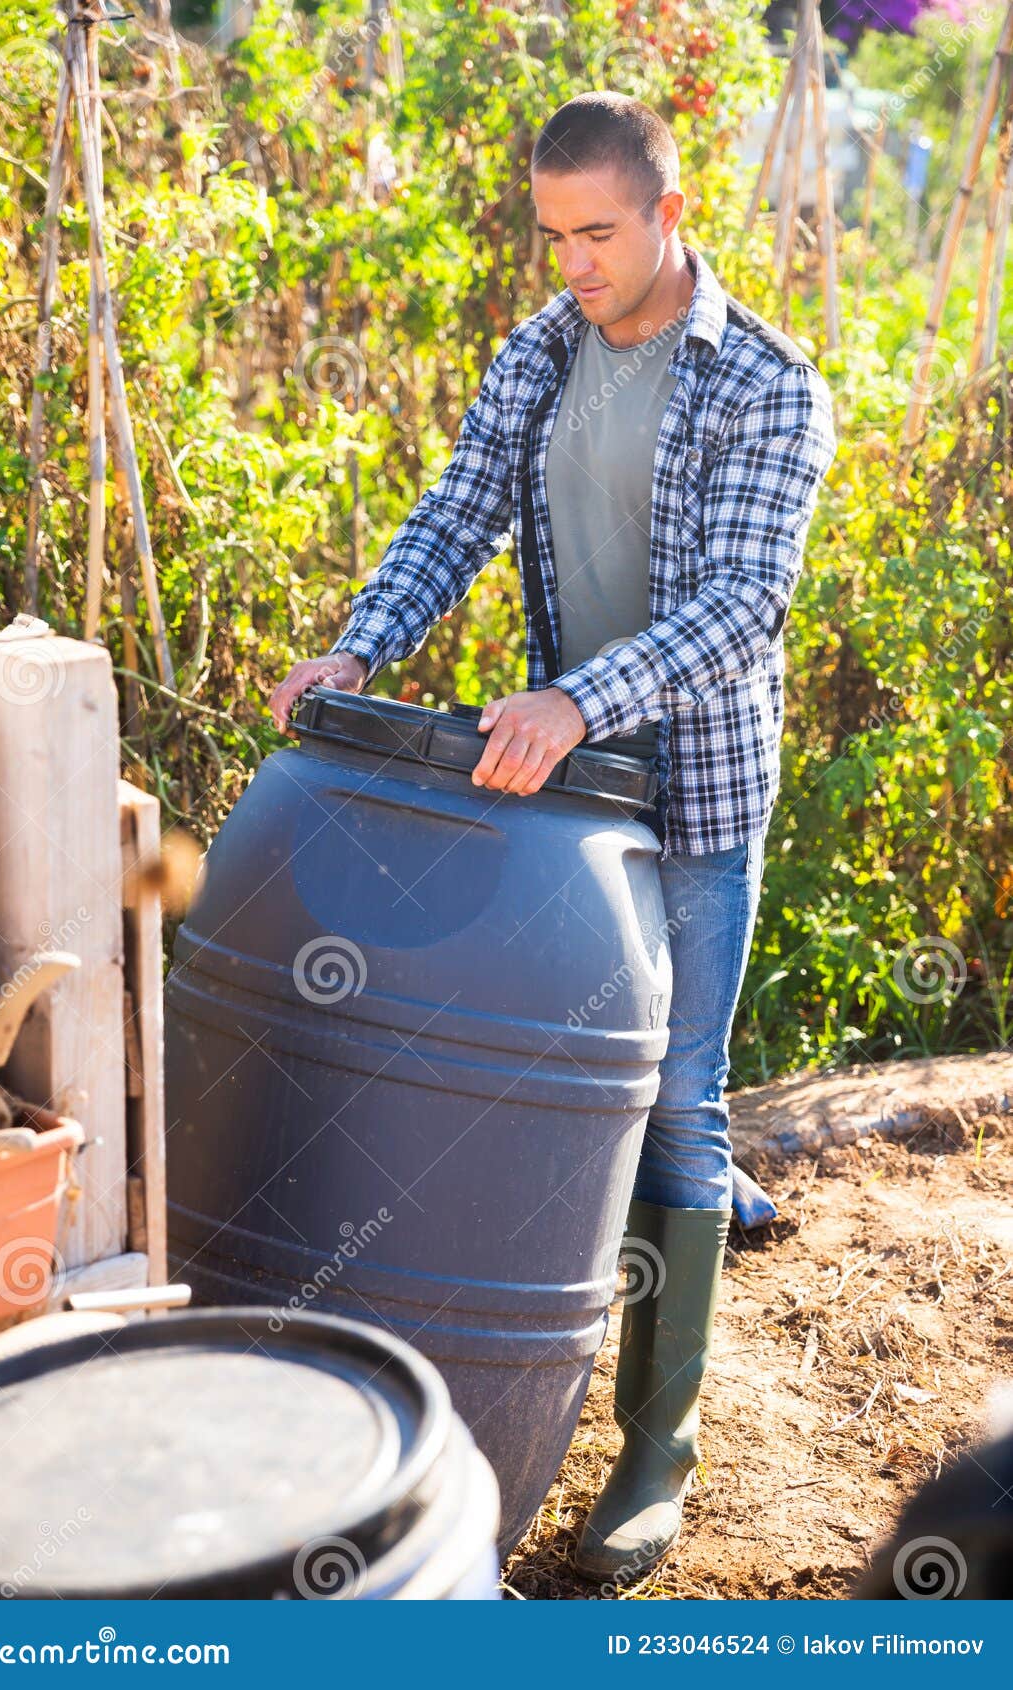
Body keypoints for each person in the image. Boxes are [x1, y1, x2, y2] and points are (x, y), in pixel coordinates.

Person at [269, 91, 837, 1585]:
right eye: (552, 235)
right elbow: (457, 510)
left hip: (690, 783)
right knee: (553, 1071)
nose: (573, 264)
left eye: (598, 233)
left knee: (679, 1097)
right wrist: (360, 647)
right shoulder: (542, 349)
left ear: (667, 212)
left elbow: (741, 608)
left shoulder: (770, 385)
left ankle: (658, 1450)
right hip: (561, 806)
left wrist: (578, 699)